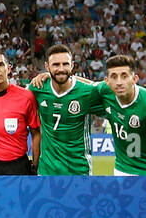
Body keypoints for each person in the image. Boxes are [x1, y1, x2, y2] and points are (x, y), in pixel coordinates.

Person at [30, 44, 105, 175]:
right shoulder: (38, 88)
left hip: (79, 171)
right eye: (56, 65)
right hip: (47, 171)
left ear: (72, 65)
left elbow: (110, 92)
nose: (61, 69)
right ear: (47, 67)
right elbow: (12, 96)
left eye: (65, 64)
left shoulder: (87, 92)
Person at [95, 55, 146, 176]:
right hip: (122, 169)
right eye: (114, 77)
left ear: (135, 79)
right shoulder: (105, 91)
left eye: (124, 76)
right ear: (107, 81)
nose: (119, 82)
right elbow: (86, 86)